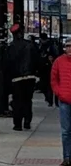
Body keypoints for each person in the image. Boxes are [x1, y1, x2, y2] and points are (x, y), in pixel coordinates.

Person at [5, 23, 40, 131]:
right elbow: (37, 60)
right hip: (30, 77)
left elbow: (6, 65)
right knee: (27, 100)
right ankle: (27, 121)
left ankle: (18, 124)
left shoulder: (10, 47)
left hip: (16, 79)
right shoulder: (31, 45)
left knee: (17, 101)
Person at [51, 38, 71, 166]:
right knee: (66, 131)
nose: (69, 49)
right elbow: (53, 80)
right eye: (68, 46)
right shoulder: (59, 61)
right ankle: (67, 157)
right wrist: (59, 93)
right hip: (64, 101)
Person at [40, 33, 60, 106]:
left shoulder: (50, 45)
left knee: (50, 85)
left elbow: (56, 54)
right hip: (45, 68)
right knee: (48, 85)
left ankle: (52, 101)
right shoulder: (43, 45)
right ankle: (51, 100)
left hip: (50, 67)